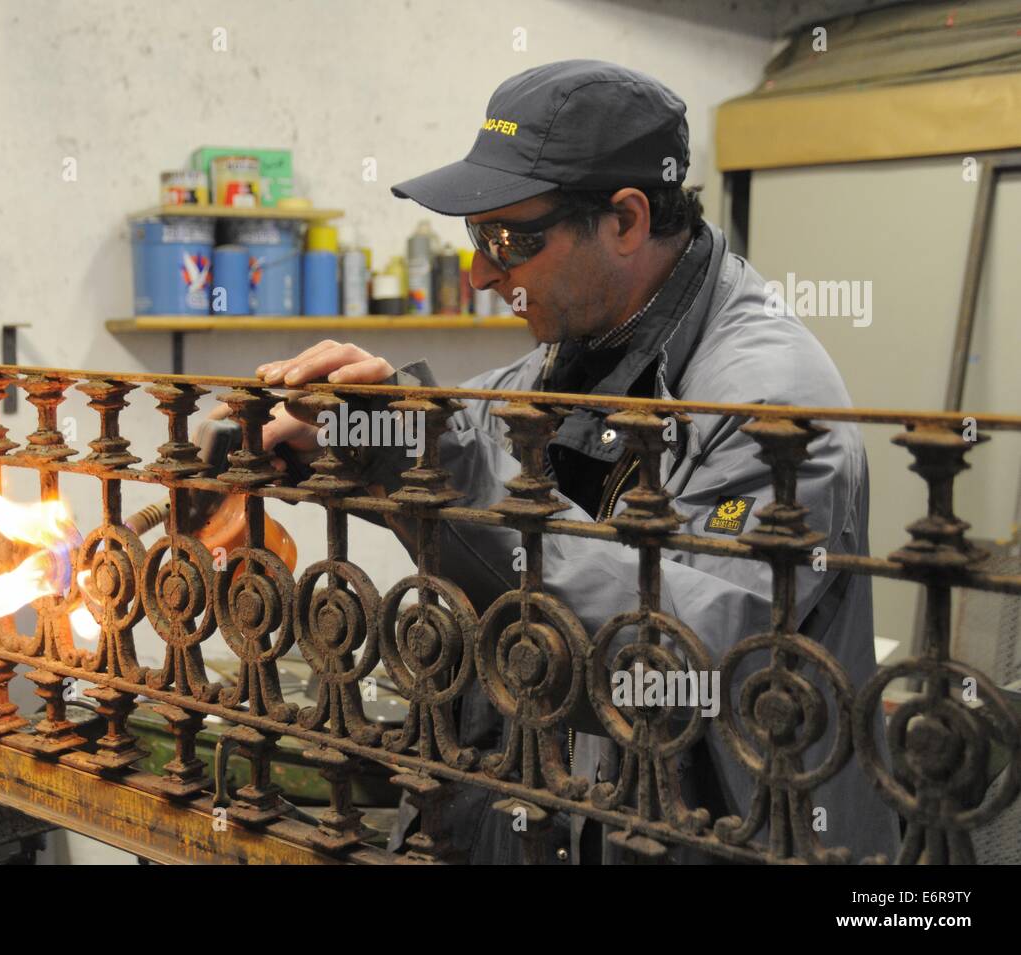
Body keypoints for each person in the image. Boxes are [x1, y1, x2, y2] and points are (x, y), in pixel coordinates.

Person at [241, 59, 901, 864]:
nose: (483, 273)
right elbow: (471, 491)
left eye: (508, 238)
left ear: (625, 220)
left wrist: (427, 456)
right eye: (474, 235)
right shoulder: (567, 356)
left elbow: (681, 659)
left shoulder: (772, 402)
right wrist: (350, 449)